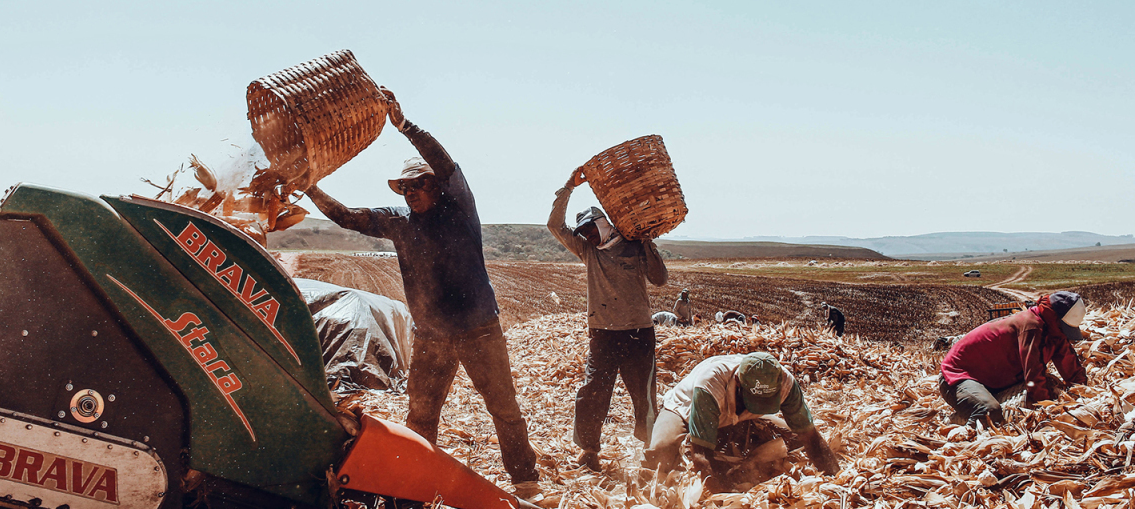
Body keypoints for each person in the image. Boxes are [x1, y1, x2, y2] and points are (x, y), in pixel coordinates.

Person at [304, 91, 539, 485]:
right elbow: (347, 217)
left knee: (503, 407)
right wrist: (310, 187)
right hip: (431, 336)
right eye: (404, 188)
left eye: (418, 184)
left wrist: (404, 125)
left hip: (479, 329)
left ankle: (524, 478)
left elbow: (444, 162)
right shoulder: (400, 223)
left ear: (435, 185)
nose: (410, 192)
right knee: (421, 413)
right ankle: (410, 481)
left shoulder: (459, 206)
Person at [548, 168, 668, 472]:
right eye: (584, 233)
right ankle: (589, 450)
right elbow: (554, 225)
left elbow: (660, 279)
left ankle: (651, 450)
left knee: (644, 395)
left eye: (590, 229)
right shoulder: (587, 251)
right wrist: (567, 187)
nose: (587, 236)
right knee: (592, 392)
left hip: (639, 333)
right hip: (602, 334)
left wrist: (647, 243)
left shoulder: (634, 244)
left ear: (604, 223)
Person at [642, 352, 839, 491]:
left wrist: (838, 482)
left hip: (738, 416)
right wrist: (723, 497)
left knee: (793, 440)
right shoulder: (710, 386)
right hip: (686, 409)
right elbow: (701, 455)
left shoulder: (785, 383)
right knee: (662, 451)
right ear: (738, 382)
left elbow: (810, 437)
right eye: (755, 402)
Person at [938, 291, 1088, 428]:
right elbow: (1033, 376)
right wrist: (1047, 413)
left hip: (991, 378)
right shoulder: (1032, 327)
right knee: (989, 412)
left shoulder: (1053, 329)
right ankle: (964, 439)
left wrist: (1084, 395)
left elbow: (1069, 364)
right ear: (1056, 319)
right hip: (958, 376)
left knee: (1050, 386)